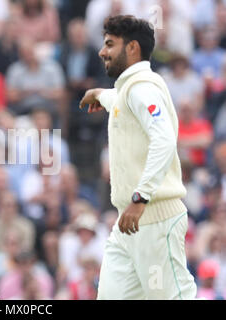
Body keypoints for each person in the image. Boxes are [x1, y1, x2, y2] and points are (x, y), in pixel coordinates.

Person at [79, 15, 197, 299]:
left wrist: (140, 197)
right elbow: (122, 100)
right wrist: (101, 94)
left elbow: (165, 138)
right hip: (128, 225)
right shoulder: (129, 88)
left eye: (109, 44)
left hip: (153, 218)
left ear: (132, 48)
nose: (101, 51)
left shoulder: (142, 87)